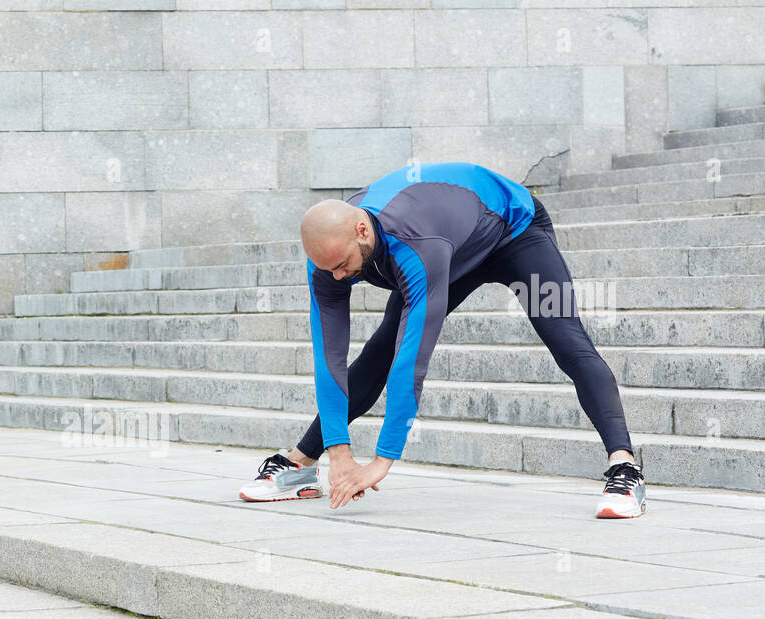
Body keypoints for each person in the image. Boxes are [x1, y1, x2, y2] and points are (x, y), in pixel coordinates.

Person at [238, 161, 646, 519]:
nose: (340, 277)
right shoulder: (328, 260)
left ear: (362, 230)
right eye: (330, 269)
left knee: (567, 342)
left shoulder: (415, 246)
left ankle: (625, 469)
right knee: (378, 349)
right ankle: (301, 464)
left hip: (514, 232)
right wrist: (339, 452)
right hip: (455, 237)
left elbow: (411, 359)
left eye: (344, 265)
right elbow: (330, 358)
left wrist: (383, 459)